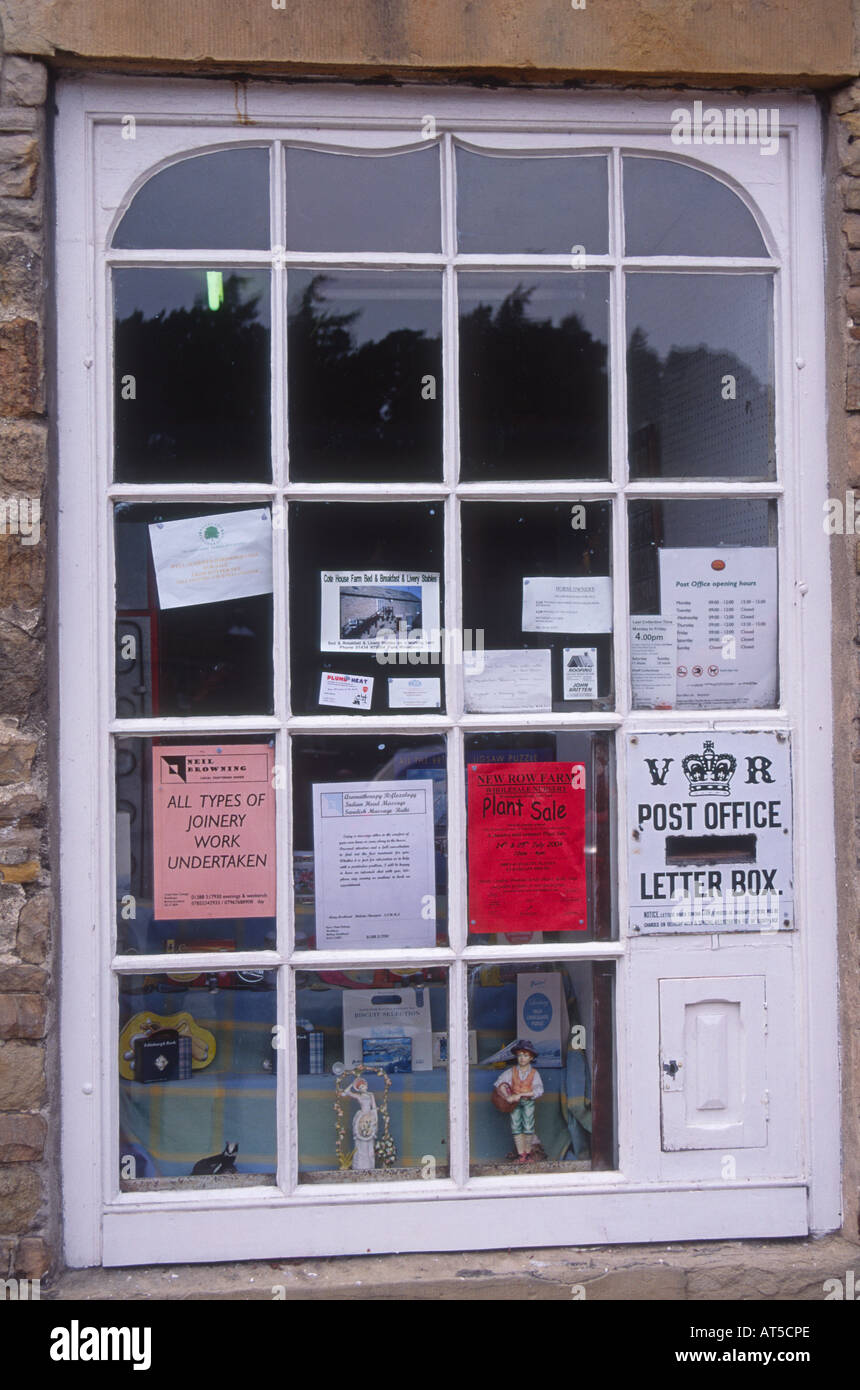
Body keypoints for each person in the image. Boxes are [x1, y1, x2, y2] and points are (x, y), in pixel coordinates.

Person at [494, 1039, 544, 1163]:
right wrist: (507, 1096)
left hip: (527, 1102)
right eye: (520, 1055)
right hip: (514, 1105)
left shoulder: (534, 1073)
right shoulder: (511, 1072)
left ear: (531, 1057)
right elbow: (499, 1083)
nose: (522, 1058)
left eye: (525, 1055)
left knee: (528, 1126)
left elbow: (539, 1090)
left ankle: (528, 1153)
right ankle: (521, 1154)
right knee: (516, 1127)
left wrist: (521, 1094)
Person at [343, 1075, 378, 1171]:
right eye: (361, 1087)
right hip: (361, 1118)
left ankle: (370, 1166)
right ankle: (359, 1166)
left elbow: (374, 1107)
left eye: (364, 1086)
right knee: (360, 1142)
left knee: (369, 1142)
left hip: (369, 1117)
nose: (363, 1088)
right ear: (359, 1089)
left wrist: (375, 1118)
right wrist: (352, 1083)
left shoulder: (371, 1095)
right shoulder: (358, 1096)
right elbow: (345, 1093)